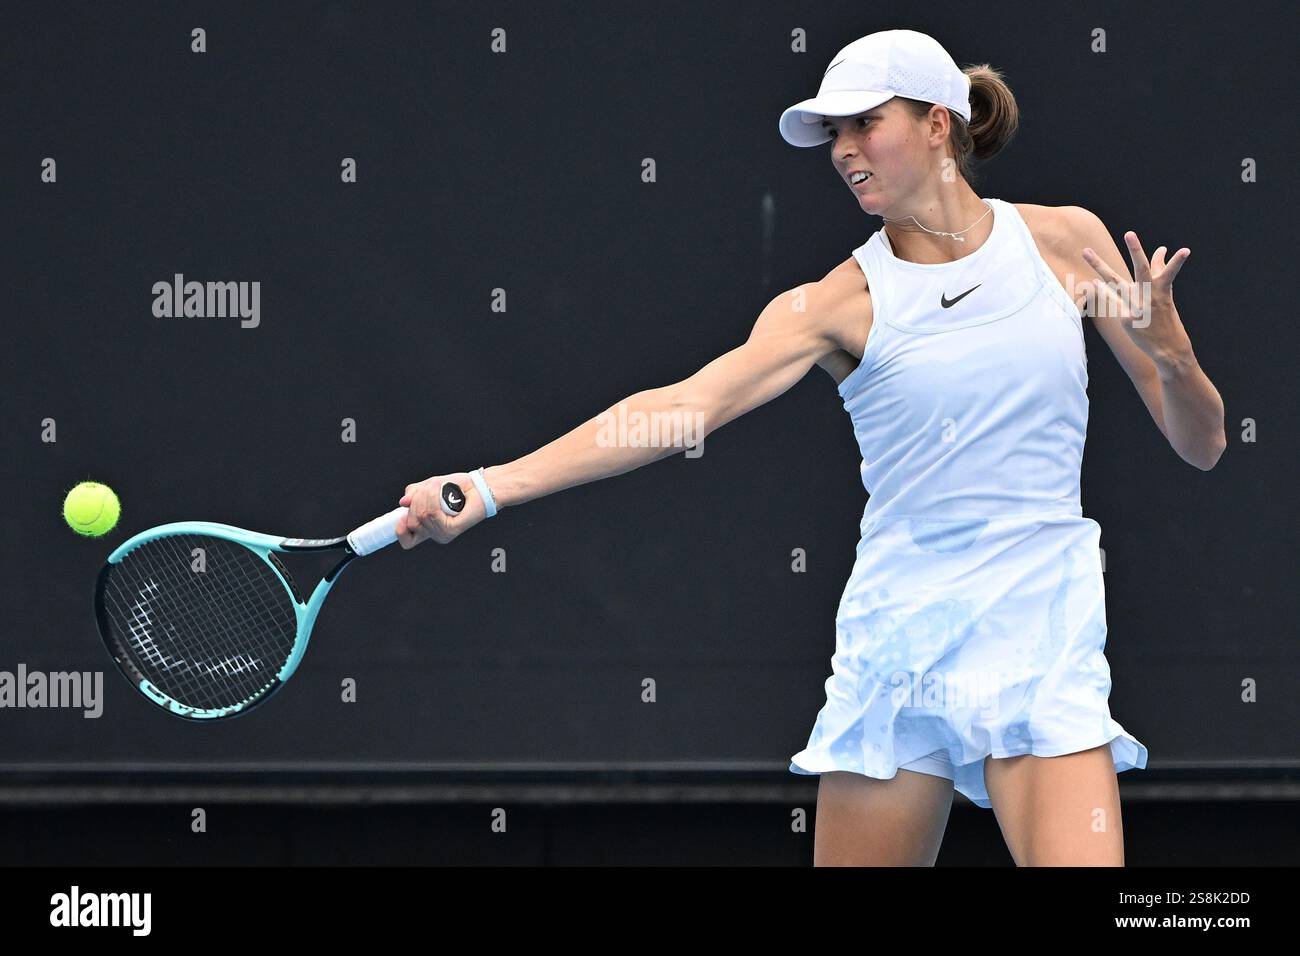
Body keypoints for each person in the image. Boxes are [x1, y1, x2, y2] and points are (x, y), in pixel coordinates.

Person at [393, 29, 1226, 866]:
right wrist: (489, 486)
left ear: (939, 123)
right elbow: (682, 407)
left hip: (1042, 636)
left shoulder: (1065, 242)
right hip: (900, 646)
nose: (844, 150)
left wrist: (1173, 354)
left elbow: (1204, 445)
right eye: (833, 133)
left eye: (865, 123)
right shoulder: (835, 304)